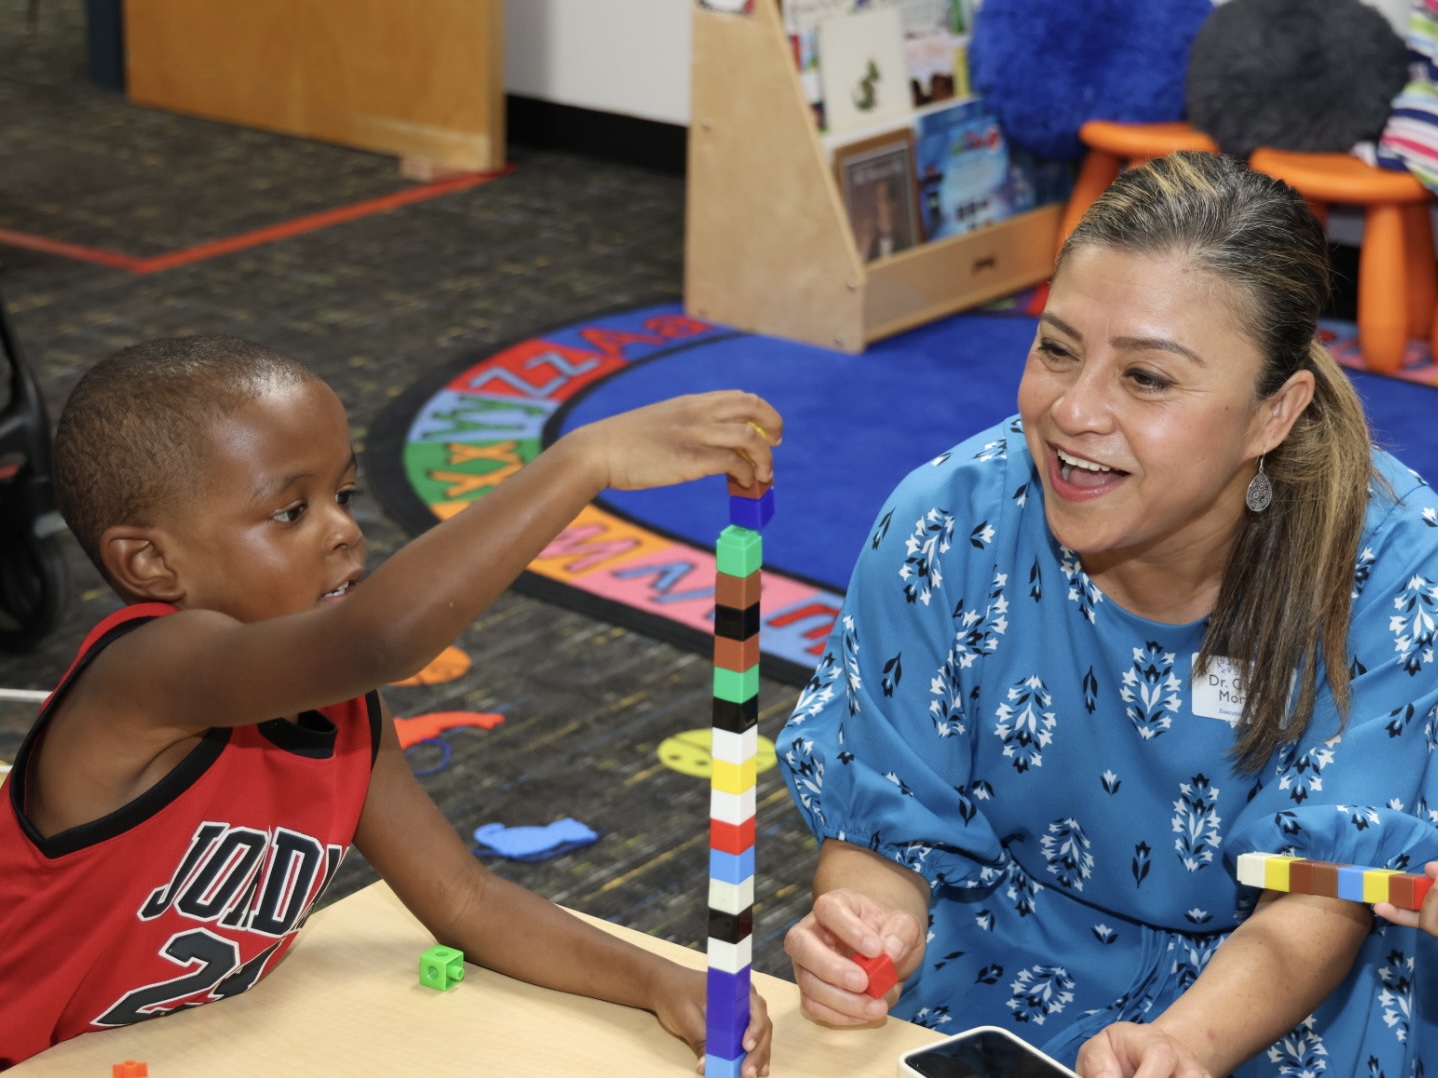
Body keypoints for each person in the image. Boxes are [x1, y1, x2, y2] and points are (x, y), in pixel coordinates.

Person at [777, 150, 1438, 1077]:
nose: (1072, 411)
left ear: (1272, 415)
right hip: (1000, 965)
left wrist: (1176, 1049)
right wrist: (867, 931)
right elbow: (888, 820)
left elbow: (1317, 902)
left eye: (1148, 379)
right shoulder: (946, 520)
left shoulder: (1392, 570)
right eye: (1056, 349)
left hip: (1283, 1003)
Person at [0, 336, 781, 1072]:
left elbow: (468, 902)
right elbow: (381, 638)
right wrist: (587, 459)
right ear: (150, 562)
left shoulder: (341, 709)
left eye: (343, 493)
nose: (345, 531)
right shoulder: (148, 670)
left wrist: (656, 982)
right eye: (290, 512)